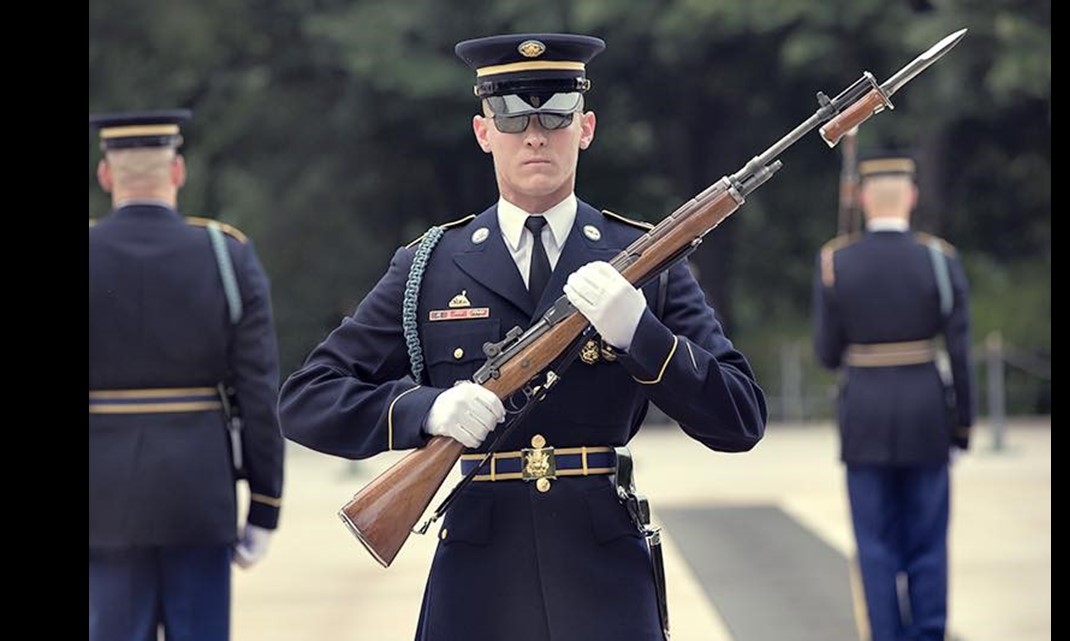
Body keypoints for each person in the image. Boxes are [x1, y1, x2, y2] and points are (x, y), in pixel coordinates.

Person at [277, 32, 767, 641]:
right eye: (511, 115)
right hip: (480, 577)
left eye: (555, 115)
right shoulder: (430, 263)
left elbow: (740, 418)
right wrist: (427, 410)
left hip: (602, 571)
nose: (535, 134)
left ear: (585, 128)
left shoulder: (641, 259)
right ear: (484, 133)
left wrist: (641, 334)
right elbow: (307, 398)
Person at [89, 109, 285, 641]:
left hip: (102, 499)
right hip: (198, 494)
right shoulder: (225, 253)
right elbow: (258, 391)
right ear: (177, 172)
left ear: (106, 176)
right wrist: (265, 506)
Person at [810, 150, 976, 641]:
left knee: (875, 542)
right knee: (927, 539)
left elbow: (826, 353)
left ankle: (885, 632)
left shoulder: (835, 261)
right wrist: (963, 423)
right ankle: (927, 631)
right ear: (912, 197)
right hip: (927, 412)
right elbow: (961, 353)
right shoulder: (939, 259)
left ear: (862, 199)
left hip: (864, 414)